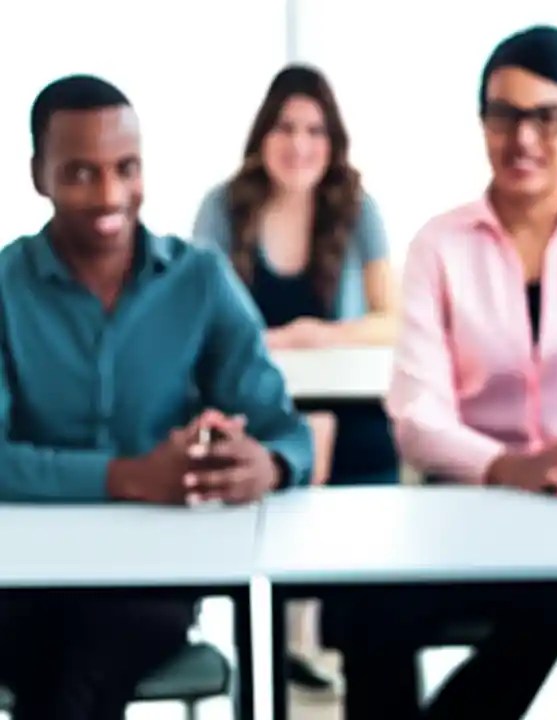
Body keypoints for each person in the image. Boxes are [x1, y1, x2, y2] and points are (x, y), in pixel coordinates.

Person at [329, 26, 557, 718]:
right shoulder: (439, 243)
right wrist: (512, 467)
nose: (523, 138)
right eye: (504, 113)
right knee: (363, 615)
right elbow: (418, 415)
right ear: (483, 120)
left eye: (546, 117)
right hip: (458, 510)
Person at [0, 75, 311, 719]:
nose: (111, 194)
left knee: (79, 674)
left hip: (151, 576)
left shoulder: (198, 280)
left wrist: (267, 464)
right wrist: (131, 477)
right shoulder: (4, 286)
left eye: (127, 168)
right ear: (39, 174)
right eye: (81, 172)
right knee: (54, 667)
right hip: (22, 570)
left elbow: (284, 429)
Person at [192, 64, 399, 692]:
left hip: (342, 399)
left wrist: (320, 334)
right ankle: (285, 632)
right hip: (253, 398)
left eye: (315, 130)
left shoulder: (357, 208)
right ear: (263, 134)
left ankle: (327, 628)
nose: (300, 143)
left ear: (332, 143)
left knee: (350, 440)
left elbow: (392, 317)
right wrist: (270, 344)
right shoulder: (223, 207)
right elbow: (200, 314)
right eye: (285, 127)